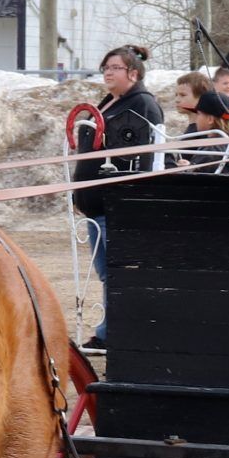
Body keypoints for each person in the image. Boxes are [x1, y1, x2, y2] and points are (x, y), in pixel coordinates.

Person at [69, 45, 166, 347]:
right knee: (109, 274)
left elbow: (137, 159)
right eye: (105, 68)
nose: (108, 73)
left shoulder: (141, 106)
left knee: (118, 274)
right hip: (97, 205)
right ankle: (112, 332)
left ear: (133, 73)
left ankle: (113, 335)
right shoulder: (113, 102)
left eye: (115, 67)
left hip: (116, 205)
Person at [167, 73, 229, 172]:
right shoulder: (223, 140)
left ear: (210, 120)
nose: (177, 100)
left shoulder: (214, 146)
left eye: (199, 114)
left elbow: (201, 170)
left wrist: (190, 167)